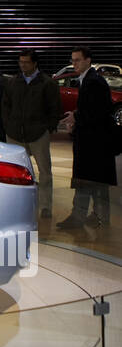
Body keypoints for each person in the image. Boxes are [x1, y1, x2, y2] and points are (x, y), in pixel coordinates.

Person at [56, 45, 116, 230]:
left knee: (87, 180)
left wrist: (76, 117)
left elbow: (97, 111)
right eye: (72, 60)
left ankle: (80, 217)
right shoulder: (89, 80)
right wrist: (76, 114)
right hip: (95, 142)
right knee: (95, 181)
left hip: (93, 142)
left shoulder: (93, 81)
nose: (74, 63)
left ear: (88, 60)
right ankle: (98, 216)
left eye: (77, 60)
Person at [2, 51, 63, 220]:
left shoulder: (47, 83)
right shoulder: (13, 82)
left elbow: (54, 108)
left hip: (38, 133)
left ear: (35, 63)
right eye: (21, 62)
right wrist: (8, 125)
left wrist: (48, 128)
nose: (23, 65)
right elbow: (6, 106)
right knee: (16, 173)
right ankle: (18, 205)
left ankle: (45, 207)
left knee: (45, 172)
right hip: (14, 133)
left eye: (26, 62)